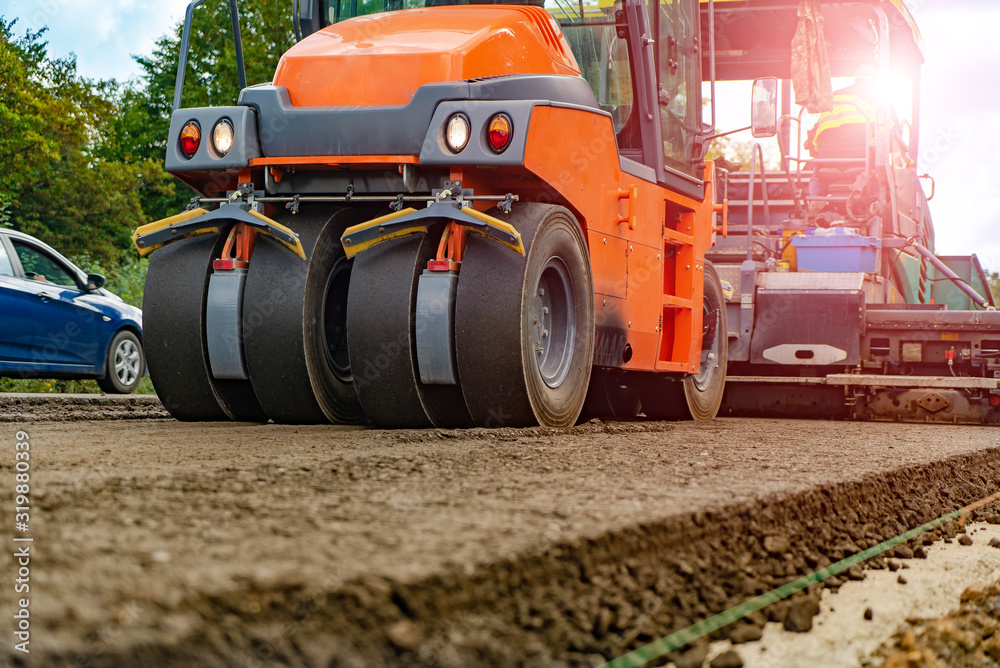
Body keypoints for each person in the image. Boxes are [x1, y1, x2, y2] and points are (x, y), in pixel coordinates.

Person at [804, 64, 883, 200]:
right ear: (875, 80)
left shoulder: (835, 98)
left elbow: (813, 142)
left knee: (816, 176)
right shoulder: (880, 103)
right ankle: (874, 201)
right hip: (862, 165)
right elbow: (889, 138)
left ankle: (816, 200)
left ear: (855, 79)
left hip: (827, 166)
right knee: (881, 173)